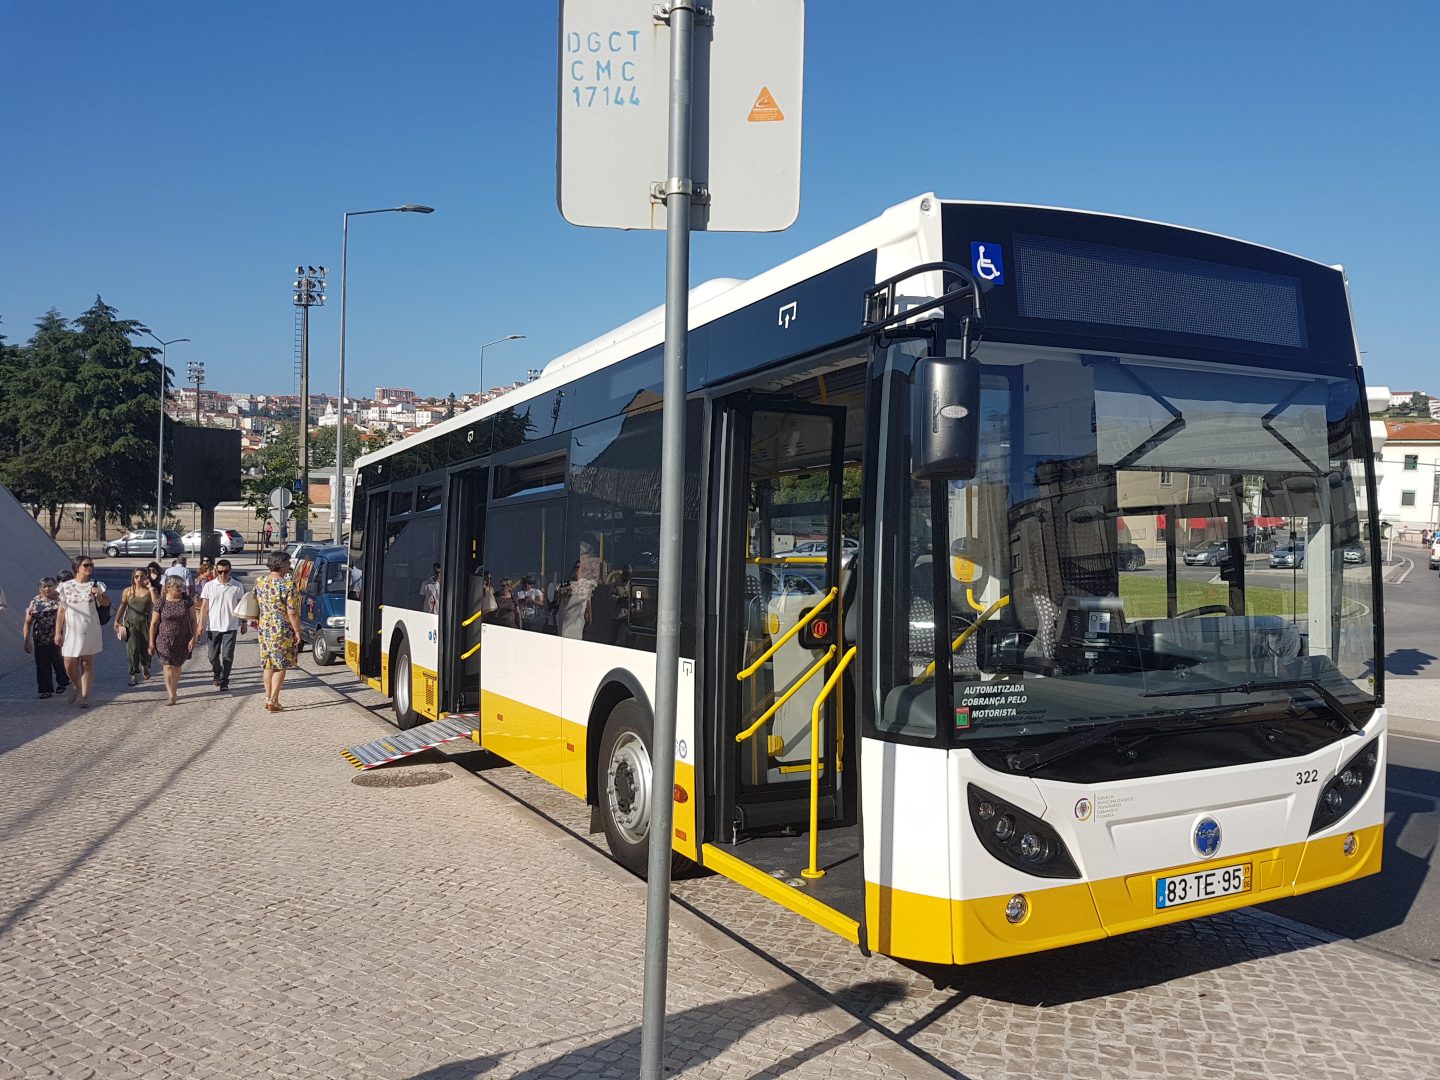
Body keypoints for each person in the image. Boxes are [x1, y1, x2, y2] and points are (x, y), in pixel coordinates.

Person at [54, 555, 109, 706]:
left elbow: (106, 603)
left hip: (90, 628)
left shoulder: (96, 585)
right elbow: (61, 611)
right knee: (69, 664)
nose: (89, 567)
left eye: (91, 565)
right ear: (77, 567)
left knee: (87, 664)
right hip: (71, 630)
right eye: (86, 565)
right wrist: (58, 632)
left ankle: (85, 695)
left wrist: (98, 595)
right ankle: (77, 686)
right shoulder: (66, 586)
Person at [255, 549, 302, 712]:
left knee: (268, 665)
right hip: (281, 629)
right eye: (288, 563)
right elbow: (292, 612)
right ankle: (274, 700)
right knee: (281, 665)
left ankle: (268, 697)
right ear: (282, 565)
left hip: (264, 627)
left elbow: (256, 603)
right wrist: (297, 631)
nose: (289, 566)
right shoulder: (288, 585)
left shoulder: (260, 581)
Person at [193, 559, 245, 690]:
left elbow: (242, 606)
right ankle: (217, 673)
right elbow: (205, 607)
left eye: (225, 571)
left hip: (231, 626)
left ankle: (224, 681)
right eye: (220, 571)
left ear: (230, 570)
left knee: (227, 655)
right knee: (212, 656)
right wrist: (200, 624)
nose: (223, 574)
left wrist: (244, 622)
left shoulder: (237, 586)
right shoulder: (209, 586)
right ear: (216, 570)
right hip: (213, 626)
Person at [148, 577, 196, 706]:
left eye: (181, 587)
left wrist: (194, 638)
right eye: (177, 587)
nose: (180, 590)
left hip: (182, 638)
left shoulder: (187, 600)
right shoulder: (161, 602)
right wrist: (151, 643)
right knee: (168, 666)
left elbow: (193, 620)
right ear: (168, 588)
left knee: (177, 666)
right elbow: (153, 623)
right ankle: (171, 694)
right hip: (163, 638)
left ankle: (174, 688)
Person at [22, 577, 70, 699]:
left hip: (59, 638)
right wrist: (26, 640)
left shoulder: (61, 599)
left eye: (50, 586)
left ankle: (63, 683)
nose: (48, 589)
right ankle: (45, 690)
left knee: (60, 663)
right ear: (40, 588)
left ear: (55, 586)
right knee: (42, 665)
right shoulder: (35, 602)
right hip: (41, 638)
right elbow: (28, 622)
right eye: (44, 586)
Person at [116, 568, 155, 686]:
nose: (139, 579)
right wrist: (117, 620)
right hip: (131, 622)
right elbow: (122, 606)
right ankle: (133, 674)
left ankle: (145, 666)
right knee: (132, 649)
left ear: (146, 577)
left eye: (142, 576)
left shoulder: (149, 591)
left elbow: (156, 603)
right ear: (133, 578)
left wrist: (151, 589)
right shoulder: (128, 591)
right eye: (136, 576)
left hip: (146, 622)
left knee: (145, 648)